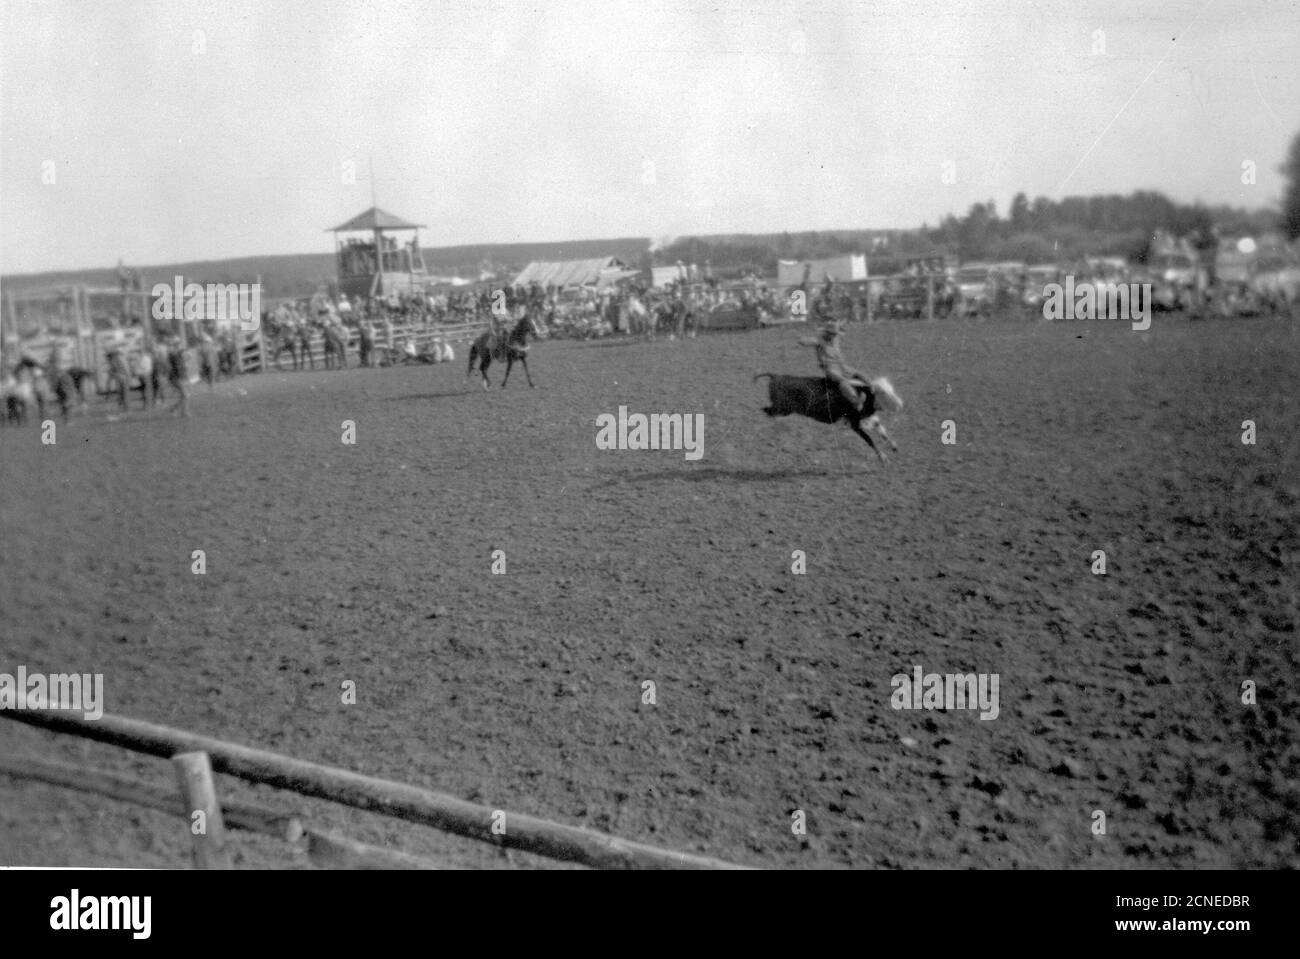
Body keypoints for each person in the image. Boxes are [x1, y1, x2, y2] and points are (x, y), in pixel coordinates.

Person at [798, 318, 868, 412]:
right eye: (832, 333)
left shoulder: (836, 338)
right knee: (843, 381)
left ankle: (870, 388)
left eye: (835, 334)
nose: (834, 336)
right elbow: (806, 342)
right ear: (827, 333)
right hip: (830, 369)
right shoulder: (819, 341)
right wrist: (802, 340)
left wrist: (842, 323)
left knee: (860, 374)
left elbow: (842, 329)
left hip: (842, 366)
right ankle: (855, 401)